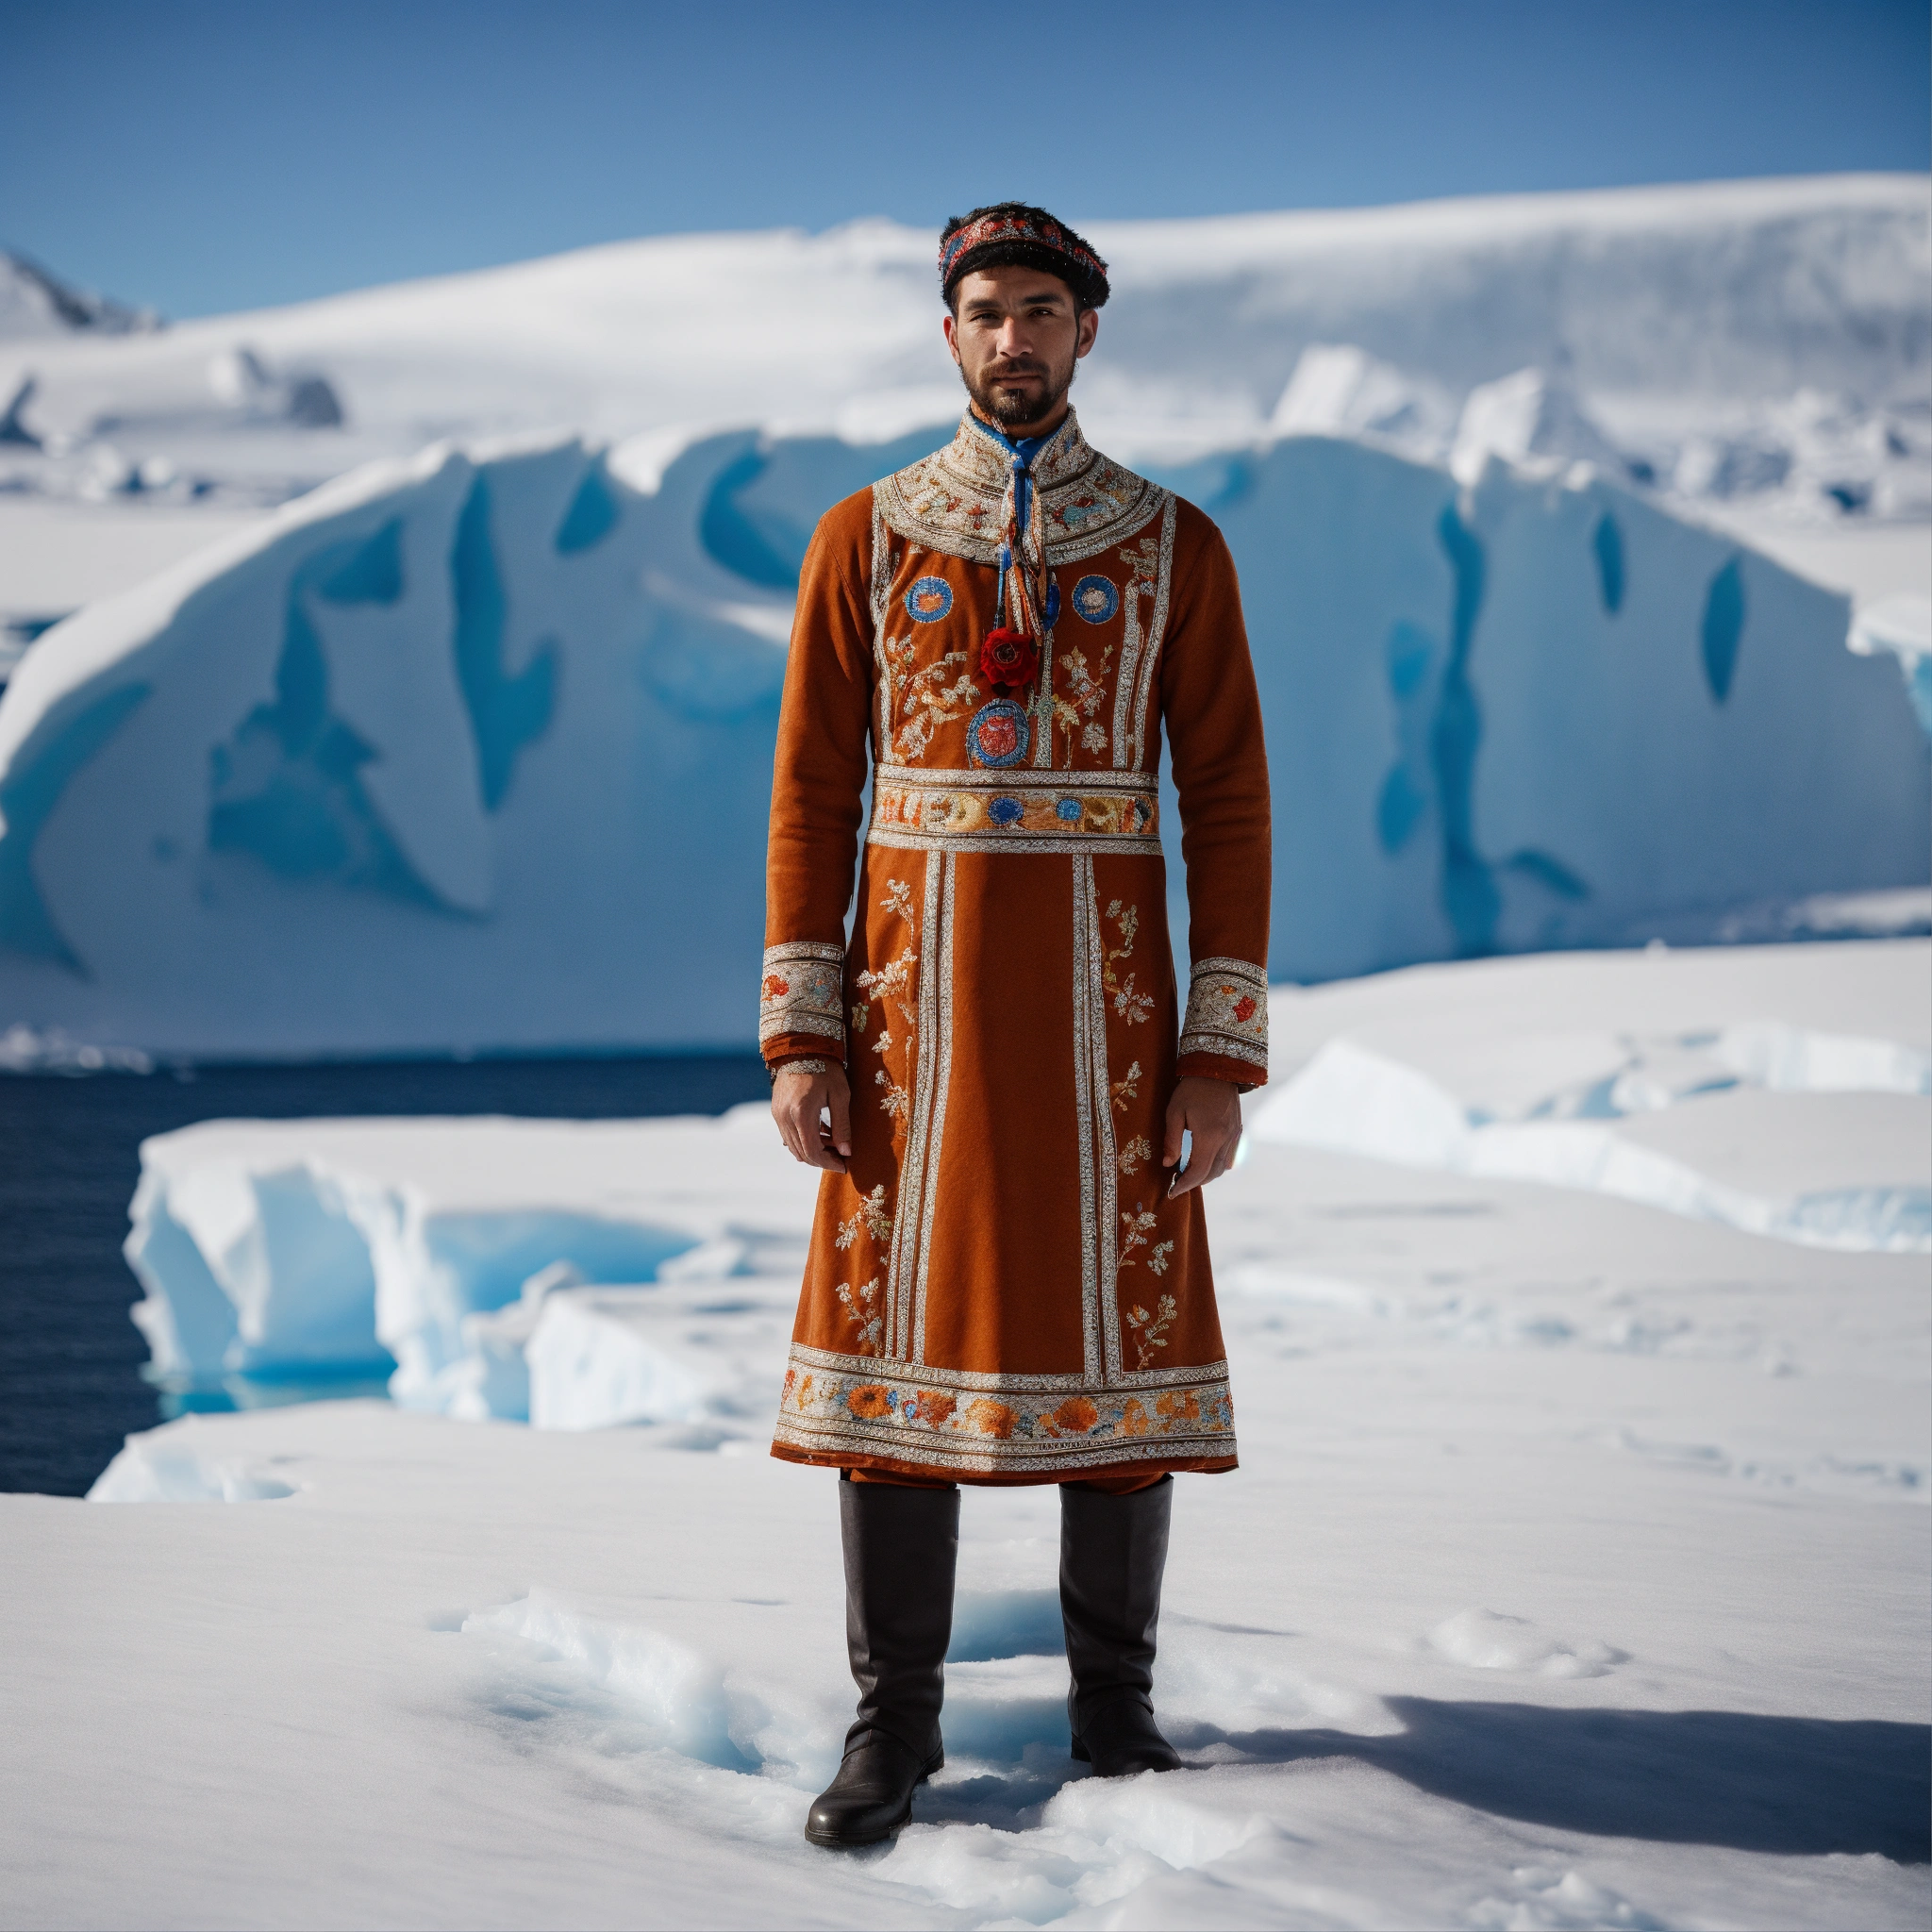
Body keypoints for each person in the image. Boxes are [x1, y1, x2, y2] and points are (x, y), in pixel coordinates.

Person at [760, 201, 1271, 1848]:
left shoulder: (1174, 546)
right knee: (895, 1357)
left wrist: (1216, 1051)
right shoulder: (869, 535)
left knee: (1116, 1342)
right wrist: (802, 1032)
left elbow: (1233, 805)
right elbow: (813, 794)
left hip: (1108, 1033)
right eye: (984, 311)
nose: (1012, 338)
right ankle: (888, 1730)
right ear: (950, 329)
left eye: (1041, 309)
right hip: (910, 1036)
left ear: (1088, 330)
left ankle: (1113, 1721)